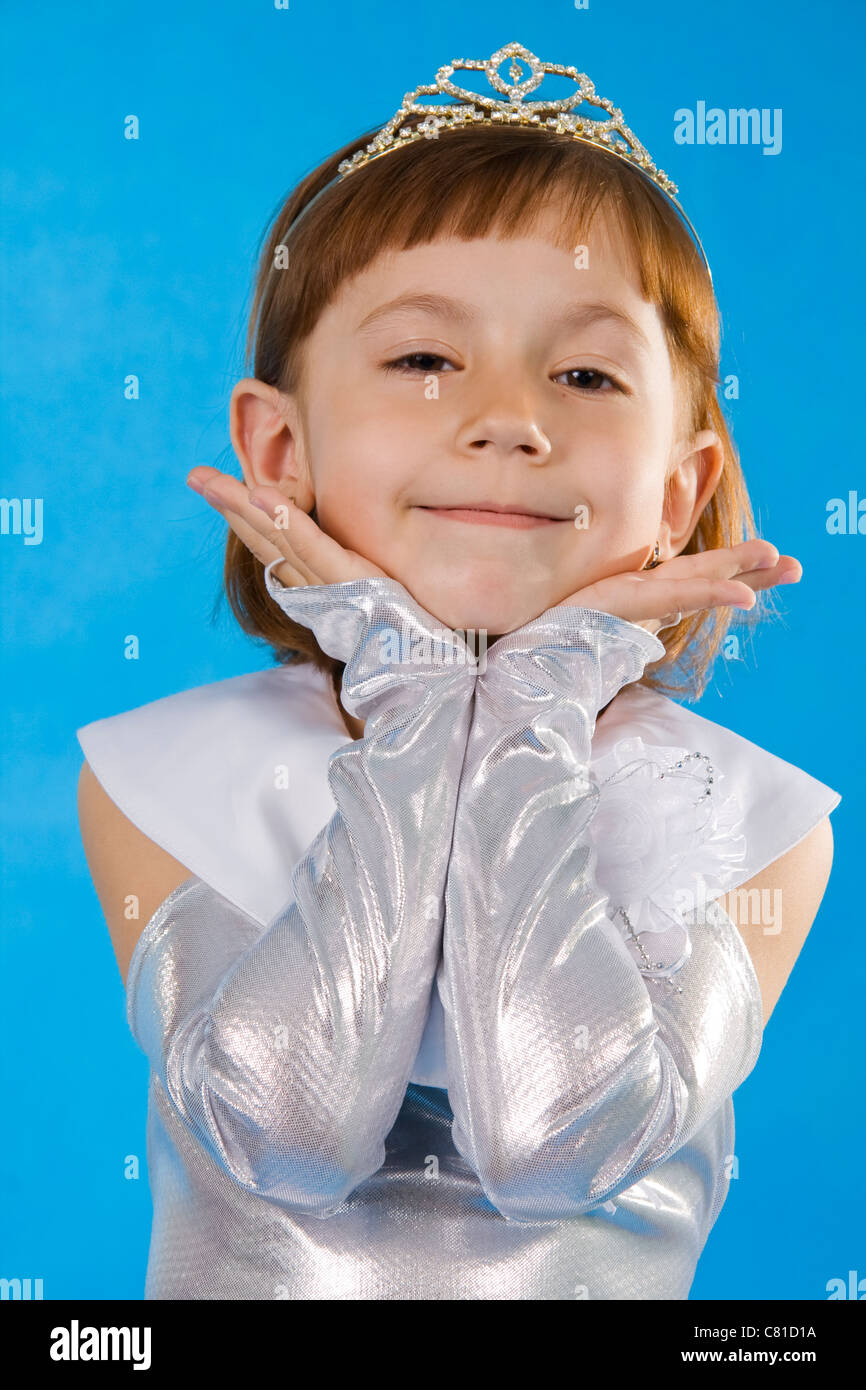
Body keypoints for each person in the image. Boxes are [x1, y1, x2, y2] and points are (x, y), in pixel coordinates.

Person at [76, 42, 840, 1299]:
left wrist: (532, 704)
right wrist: (417, 697)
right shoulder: (161, 777)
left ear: (677, 490)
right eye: (424, 359)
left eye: (585, 373)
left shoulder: (746, 825)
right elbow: (286, 1131)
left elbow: (555, 1142)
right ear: (278, 451)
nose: (508, 418)